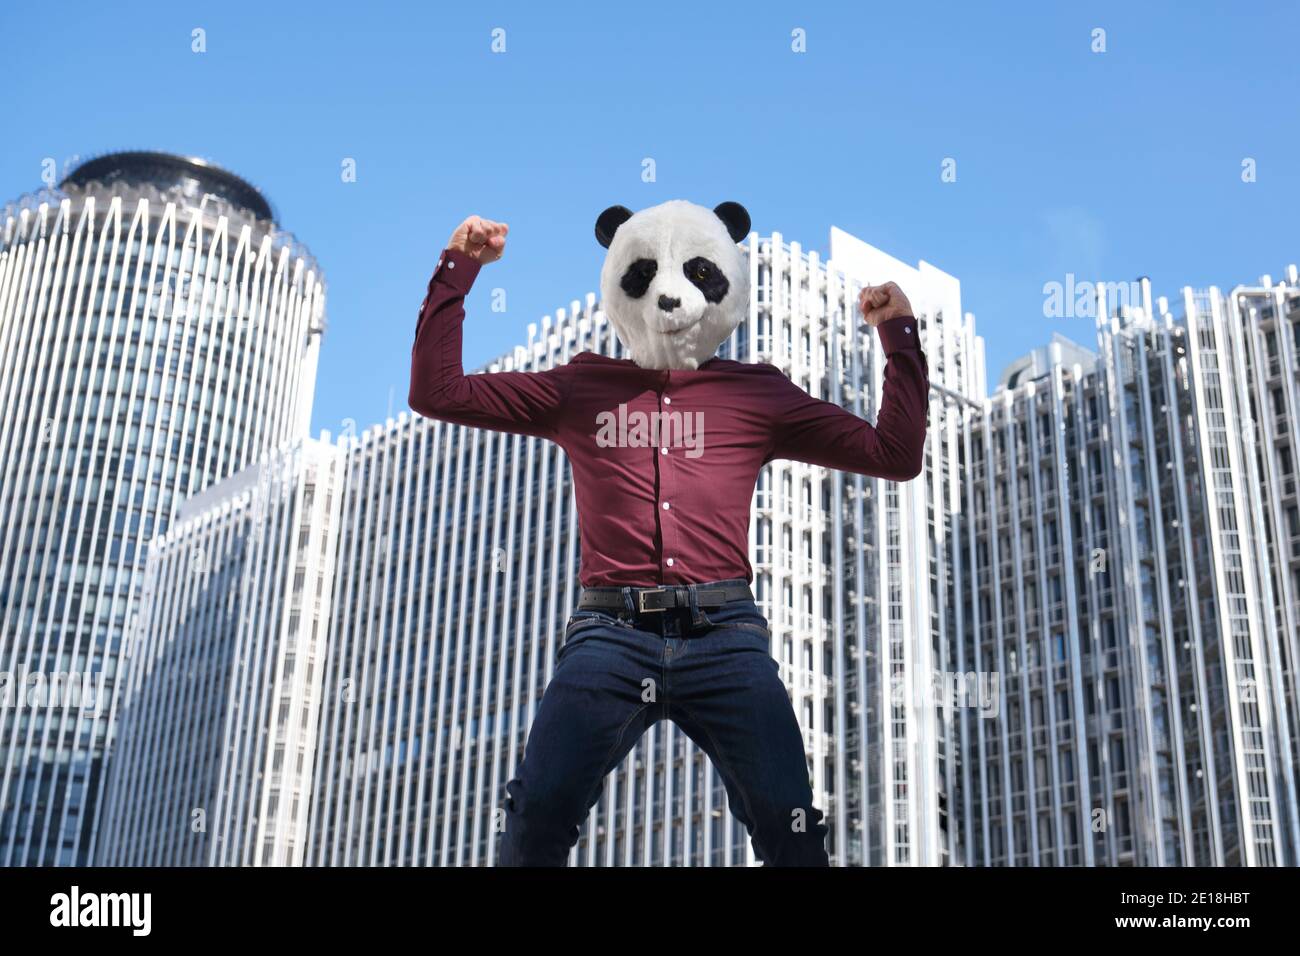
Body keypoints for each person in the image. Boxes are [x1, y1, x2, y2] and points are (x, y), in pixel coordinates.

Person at [409, 204, 929, 866]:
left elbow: (895, 452)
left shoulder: (758, 395)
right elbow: (437, 392)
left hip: (726, 638)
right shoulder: (580, 388)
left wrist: (899, 333)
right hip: (608, 637)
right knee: (535, 812)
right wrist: (459, 270)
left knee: (791, 824)